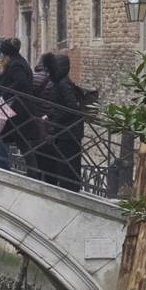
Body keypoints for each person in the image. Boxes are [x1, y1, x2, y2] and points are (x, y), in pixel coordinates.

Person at [0, 37, 37, 176]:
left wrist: (5, 93)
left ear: (6, 51)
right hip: (18, 108)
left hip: (17, 109)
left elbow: (20, 82)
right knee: (20, 141)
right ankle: (32, 173)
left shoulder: (16, 65)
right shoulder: (18, 61)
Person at [40, 53, 84, 192]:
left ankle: (70, 191)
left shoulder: (63, 83)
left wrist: (55, 118)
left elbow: (71, 107)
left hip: (68, 132)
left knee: (68, 165)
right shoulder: (61, 81)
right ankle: (66, 187)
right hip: (66, 131)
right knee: (64, 163)